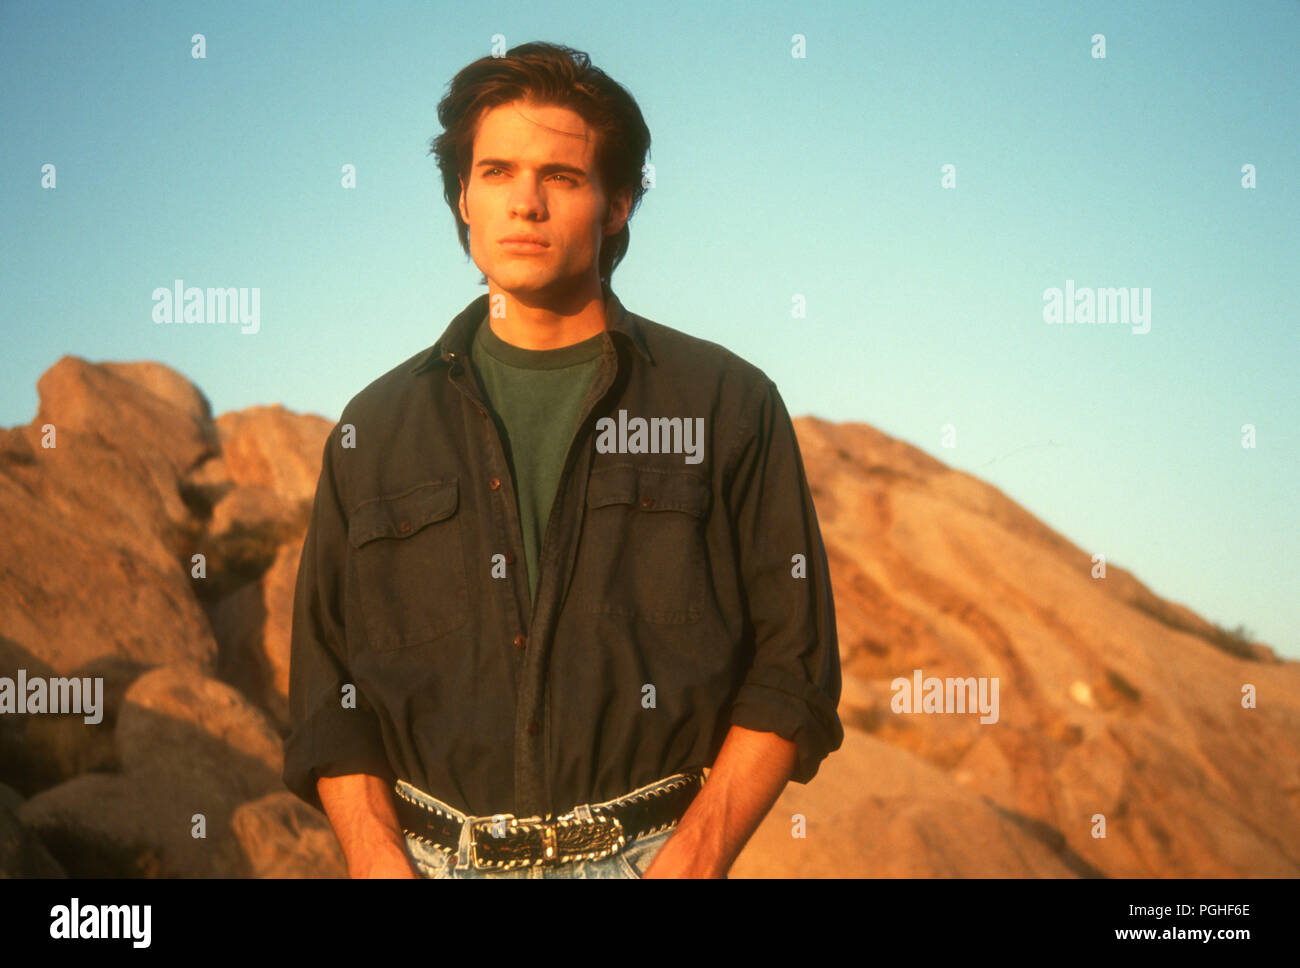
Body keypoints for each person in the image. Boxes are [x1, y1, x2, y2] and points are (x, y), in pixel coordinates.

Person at [283, 41, 843, 879]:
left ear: (618, 204)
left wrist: (695, 856)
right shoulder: (376, 428)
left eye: (563, 177)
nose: (527, 205)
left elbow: (792, 667)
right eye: (498, 172)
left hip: (651, 856)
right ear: (463, 198)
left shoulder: (726, 403)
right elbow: (330, 689)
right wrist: (372, 855)